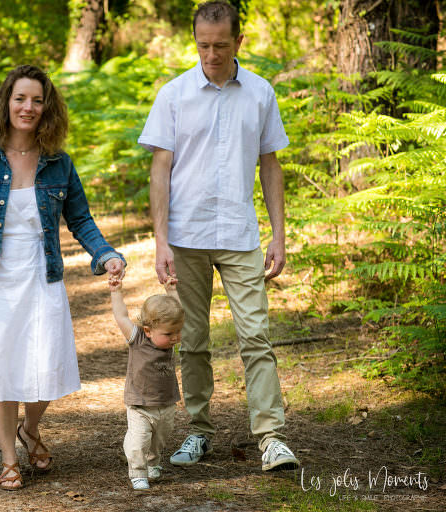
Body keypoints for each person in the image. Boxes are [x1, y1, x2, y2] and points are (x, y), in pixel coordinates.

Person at [0, 65, 126, 490]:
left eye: (36, 100)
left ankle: (30, 428)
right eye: (20, 98)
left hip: (41, 272)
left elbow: (80, 219)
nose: (27, 107)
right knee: (1, 367)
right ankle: (9, 457)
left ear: (47, 108)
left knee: (46, 364)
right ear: (6, 103)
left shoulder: (59, 164)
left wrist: (106, 254)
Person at [138, 1, 300, 472]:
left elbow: (271, 164)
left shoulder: (260, 93)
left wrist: (279, 235)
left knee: (256, 335)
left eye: (220, 45)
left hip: (240, 232)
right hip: (185, 237)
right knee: (191, 340)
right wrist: (161, 240)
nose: (211, 55)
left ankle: (271, 437)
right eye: (203, 45)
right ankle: (199, 431)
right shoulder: (173, 94)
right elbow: (160, 169)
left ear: (239, 42)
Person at [109, 273, 183, 491]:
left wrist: (172, 292)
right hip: (140, 404)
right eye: (169, 333)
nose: (175, 337)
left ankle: (153, 464)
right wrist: (116, 292)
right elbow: (121, 316)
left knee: (158, 440)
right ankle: (138, 472)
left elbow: (178, 312)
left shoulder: (168, 340)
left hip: (166, 402)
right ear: (149, 331)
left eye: (178, 332)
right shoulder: (138, 338)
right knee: (139, 440)